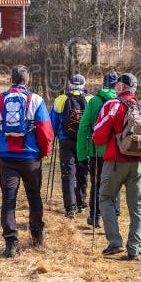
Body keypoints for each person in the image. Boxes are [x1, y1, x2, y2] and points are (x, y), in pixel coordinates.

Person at [0, 65, 54, 258]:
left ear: (10, 80)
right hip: (31, 157)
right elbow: (46, 131)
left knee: (8, 200)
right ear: (27, 80)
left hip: (7, 158)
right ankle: (37, 235)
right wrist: (43, 152)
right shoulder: (36, 100)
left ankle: (11, 243)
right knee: (34, 195)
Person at [92, 72, 141, 261]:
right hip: (138, 164)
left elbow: (97, 137)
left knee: (105, 198)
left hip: (114, 162)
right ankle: (134, 249)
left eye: (117, 85)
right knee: (138, 207)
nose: (115, 88)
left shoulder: (112, 106)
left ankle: (115, 242)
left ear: (121, 87)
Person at [77, 71, 120, 227]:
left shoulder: (94, 102)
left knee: (97, 183)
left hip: (96, 151)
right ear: (117, 86)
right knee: (115, 183)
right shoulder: (121, 101)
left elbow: (83, 128)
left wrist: (81, 154)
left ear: (103, 84)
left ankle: (95, 217)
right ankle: (114, 214)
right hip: (117, 151)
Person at [49, 74, 91, 218]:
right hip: (84, 142)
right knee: (82, 171)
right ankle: (81, 204)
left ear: (69, 85)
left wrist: (54, 133)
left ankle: (70, 207)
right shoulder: (90, 100)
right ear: (84, 85)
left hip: (66, 141)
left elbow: (52, 123)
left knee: (68, 173)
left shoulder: (60, 100)